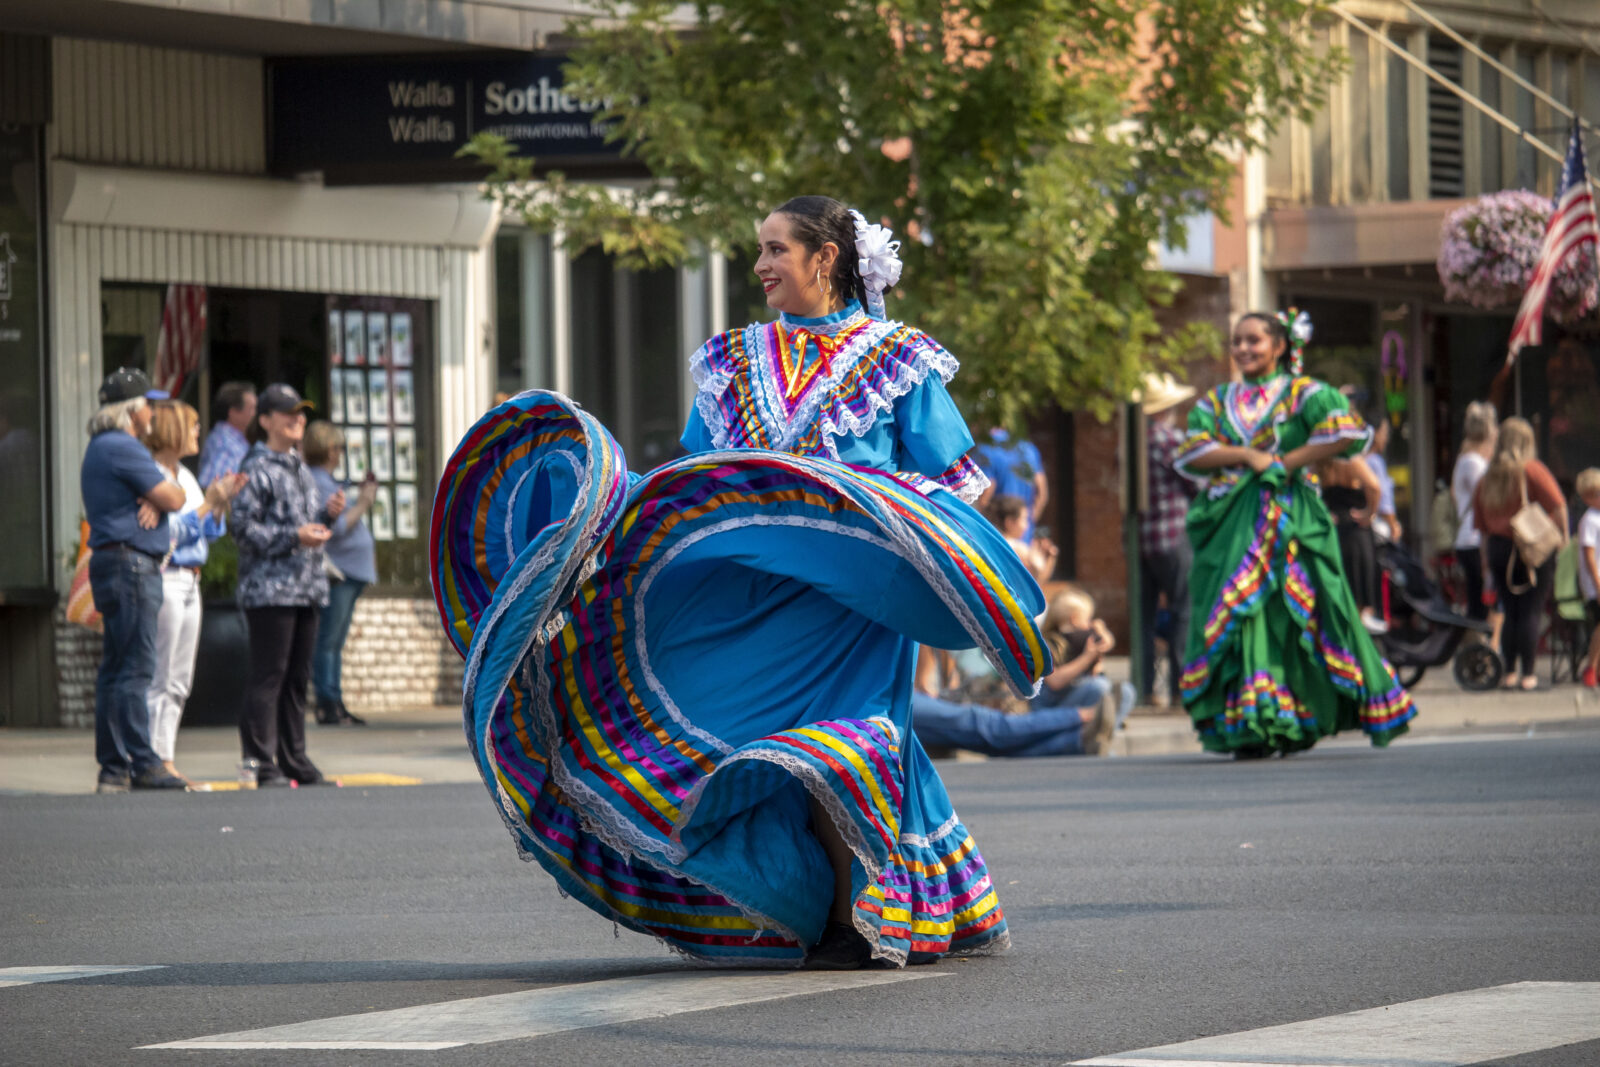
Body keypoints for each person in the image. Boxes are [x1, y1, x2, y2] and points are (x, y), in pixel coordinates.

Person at [430, 196, 1048, 971]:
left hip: (853, 604)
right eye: (758, 249)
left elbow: (959, 485)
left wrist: (888, 520)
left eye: (775, 249)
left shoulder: (899, 358)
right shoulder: (733, 358)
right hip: (751, 598)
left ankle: (852, 918)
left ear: (825, 258)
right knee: (739, 736)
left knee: (844, 741)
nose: (759, 266)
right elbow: (692, 480)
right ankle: (817, 903)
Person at [1175, 310, 1414, 758]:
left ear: (1280, 345)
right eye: (1237, 341)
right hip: (1231, 520)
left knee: (1294, 613)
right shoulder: (1217, 399)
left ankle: (1292, 711)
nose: (1243, 348)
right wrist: (1248, 456)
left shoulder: (1304, 393)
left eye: (1254, 340)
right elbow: (1194, 451)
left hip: (1290, 516)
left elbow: (1345, 433)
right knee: (1237, 613)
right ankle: (1249, 718)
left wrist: (1289, 461)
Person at [231, 384, 345, 787]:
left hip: (306, 587)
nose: (298, 419)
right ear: (264, 421)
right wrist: (295, 536)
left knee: (298, 677)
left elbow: (301, 523)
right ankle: (261, 762)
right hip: (270, 590)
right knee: (269, 676)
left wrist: (325, 517)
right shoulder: (255, 467)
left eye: (300, 412)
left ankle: (294, 758)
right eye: (287, 413)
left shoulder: (298, 466)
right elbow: (242, 530)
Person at [80, 368, 188, 792]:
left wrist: (156, 499)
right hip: (132, 566)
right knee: (136, 667)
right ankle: (143, 762)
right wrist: (160, 495)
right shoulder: (124, 446)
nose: (154, 412)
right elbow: (176, 496)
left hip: (113, 563)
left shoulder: (102, 447)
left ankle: (113, 767)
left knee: (115, 667)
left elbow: (166, 498)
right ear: (131, 410)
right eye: (148, 404)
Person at [140, 400, 245, 783]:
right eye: (193, 425)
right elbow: (164, 534)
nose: (199, 432)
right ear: (172, 429)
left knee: (181, 676)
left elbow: (209, 532)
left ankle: (164, 756)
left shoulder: (184, 474)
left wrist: (220, 503)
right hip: (166, 576)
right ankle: (151, 758)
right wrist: (207, 507)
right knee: (162, 673)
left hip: (191, 578)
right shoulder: (152, 475)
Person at [1471, 417, 1568, 692]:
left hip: (1498, 550)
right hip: (1531, 548)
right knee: (1530, 611)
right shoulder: (1531, 470)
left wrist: (1486, 563)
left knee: (1509, 611)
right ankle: (1528, 675)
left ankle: (1509, 672)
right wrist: (1561, 540)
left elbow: (1481, 527)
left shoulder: (1487, 477)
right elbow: (1559, 505)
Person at [910, 646, 1114, 758]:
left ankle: (1078, 741)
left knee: (991, 739)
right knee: (985, 725)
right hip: (893, 705)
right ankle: (1083, 717)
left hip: (899, 701)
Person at [304, 420, 378, 727]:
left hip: (351, 571)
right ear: (327, 449)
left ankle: (334, 699)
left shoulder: (327, 480)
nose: (340, 454)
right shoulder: (319, 481)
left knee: (335, 639)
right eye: (337, 447)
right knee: (330, 640)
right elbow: (334, 528)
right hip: (341, 572)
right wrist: (362, 503)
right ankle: (328, 701)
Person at [1136, 371, 1196, 707]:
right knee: (1182, 612)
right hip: (1173, 538)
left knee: (1144, 619)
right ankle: (1180, 689)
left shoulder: (1133, 442)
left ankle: (1146, 689)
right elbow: (1196, 484)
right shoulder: (1170, 439)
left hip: (1141, 543)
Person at [1316, 449, 1387, 635]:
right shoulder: (1351, 459)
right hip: (1356, 531)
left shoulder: (1321, 460)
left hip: (1333, 533)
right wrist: (1369, 513)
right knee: (1360, 601)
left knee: (1343, 596)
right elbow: (1374, 486)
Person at [1451, 401, 1498, 626]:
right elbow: (1490, 497)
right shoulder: (1473, 462)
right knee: (1481, 602)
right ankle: (1478, 648)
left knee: (1480, 600)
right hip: (1474, 539)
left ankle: (1480, 648)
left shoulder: (1467, 459)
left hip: (1470, 537)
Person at [973, 427, 1048, 542]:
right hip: (1023, 532)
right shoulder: (1029, 448)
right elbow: (1042, 493)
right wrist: (1028, 521)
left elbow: (986, 492)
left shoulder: (986, 448)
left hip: (999, 535)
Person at [986, 493, 1057, 583]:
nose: (1027, 526)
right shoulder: (1018, 548)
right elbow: (1039, 576)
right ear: (1010, 522)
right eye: (1024, 519)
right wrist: (1050, 555)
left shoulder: (994, 542)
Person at [197, 381, 256, 488]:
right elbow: (210, 483)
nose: (254, 414)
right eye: (251, 408)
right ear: (233, 412)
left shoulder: (234, 439)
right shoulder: (223, 442)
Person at [1574, 468, 1600, 689]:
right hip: (1595, 584)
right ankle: (1591, 667)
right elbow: (1589, 557)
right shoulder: (1589, 521)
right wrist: (1598, 585)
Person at [1363, 414, 1402, 544]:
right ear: (1374, 434)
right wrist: (1393, 524)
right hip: (1378, 529)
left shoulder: (1359, 460)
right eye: (1384, 433)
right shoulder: (1374, 462)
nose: (1386, 438)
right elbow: (1382, 498)